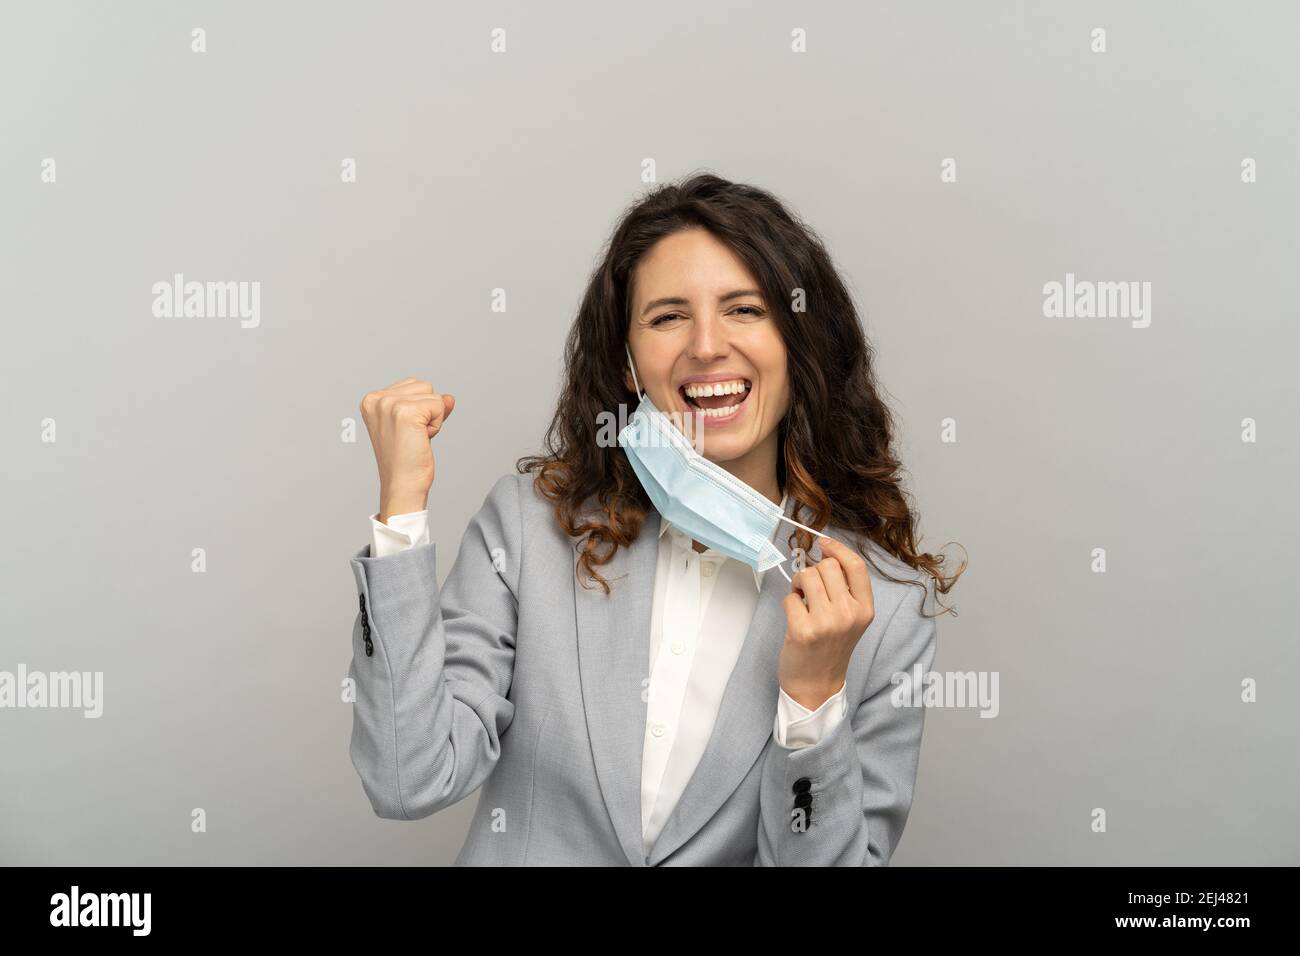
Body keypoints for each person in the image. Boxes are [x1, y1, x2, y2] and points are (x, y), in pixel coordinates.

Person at [347, 172, 964, 865]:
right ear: (629, 361)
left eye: (745, 310)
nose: (705, 346)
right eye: (668, 316)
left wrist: (813, 702)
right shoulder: (528, 529)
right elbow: (408, 778)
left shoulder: (883, 610)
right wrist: (401, 509)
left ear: (801, 343)